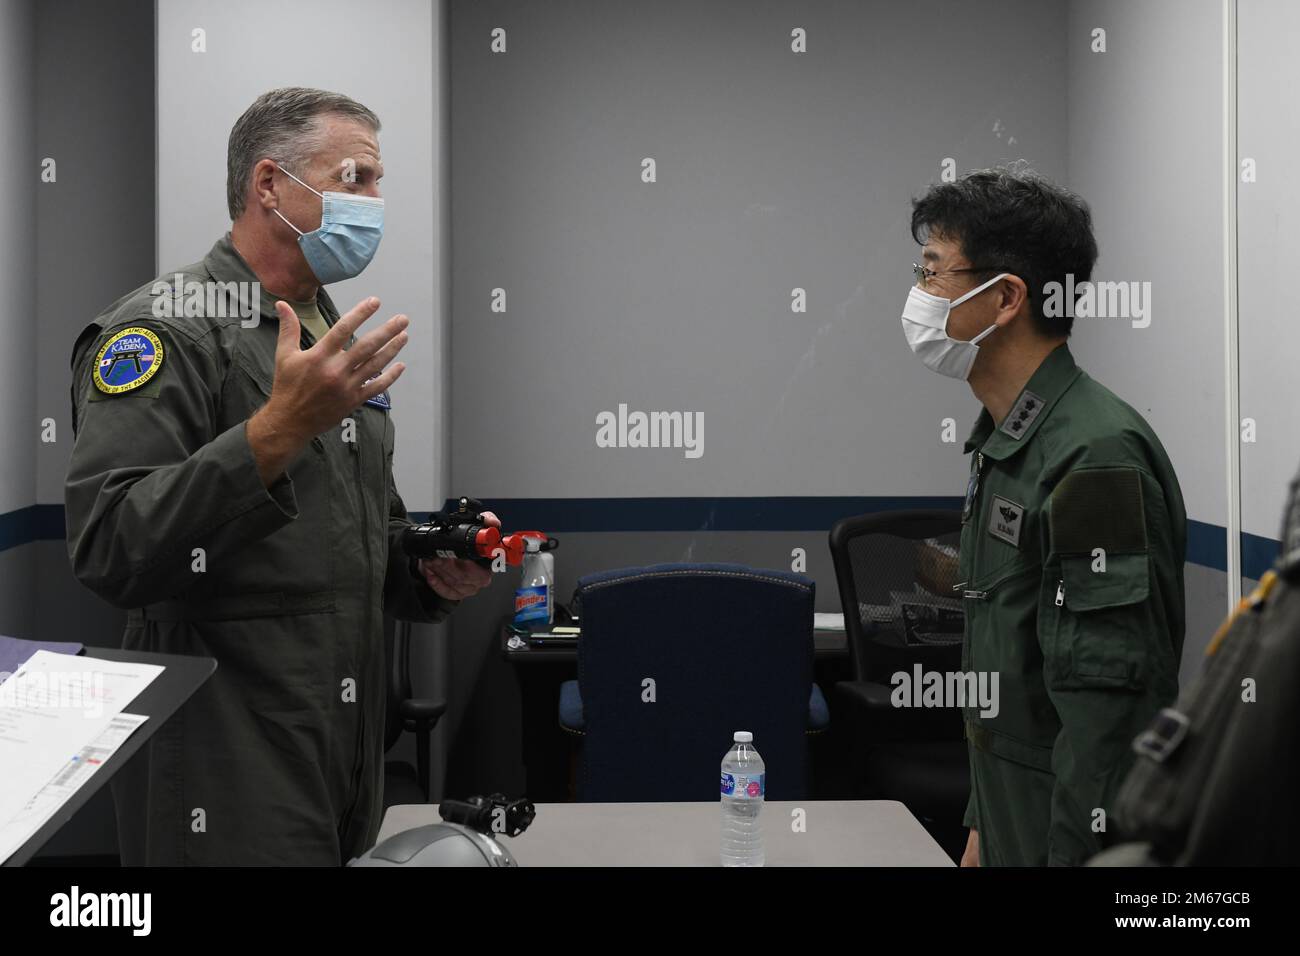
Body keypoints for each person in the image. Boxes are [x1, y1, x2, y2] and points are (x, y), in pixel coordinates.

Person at [64, 87, 492, 865]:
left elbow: (349, 538)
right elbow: (111, 545)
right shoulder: (165, 328)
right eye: (355, 178)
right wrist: (279, 429)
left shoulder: (325, 334)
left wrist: (426, 570)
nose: (374, 201)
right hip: (223, 759)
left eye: (376, 182)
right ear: (270, 186)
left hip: (343, 746)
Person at [899, 164, 1186, 866]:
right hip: (1009, 823)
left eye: (934, 272)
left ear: (1005, 299)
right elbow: (1017, 684)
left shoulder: (1092, 458)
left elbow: (1106, 721)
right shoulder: (1010, 441)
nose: (918, 294)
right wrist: (980, 827)